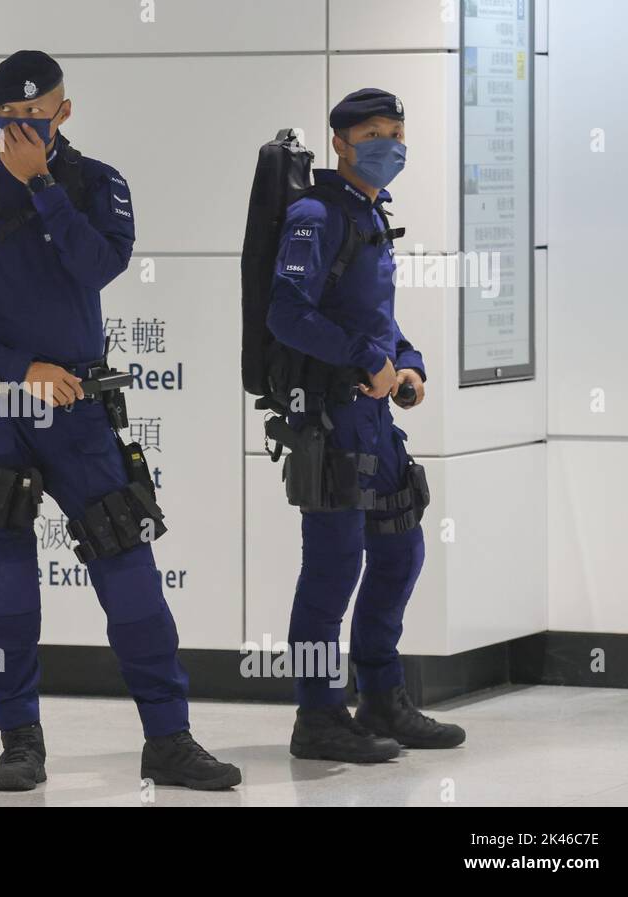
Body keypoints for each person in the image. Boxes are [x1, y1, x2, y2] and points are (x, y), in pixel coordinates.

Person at [0, 49, 240, 792]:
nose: (22, 130)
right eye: (7, 120)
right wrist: (17, 368)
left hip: (81, 416)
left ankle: (169, 736)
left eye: (36, 115)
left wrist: (44, 188)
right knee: (8, 590)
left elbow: (99, 267)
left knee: (131, 577)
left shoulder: (96, 184)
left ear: (63, 110)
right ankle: (18, 740)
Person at [267, 88, 466, 762]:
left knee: (400, 547)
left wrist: (405, 363)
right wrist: (365, 359)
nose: (390, 145)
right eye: (374, 133)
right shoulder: (315, 215)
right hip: (329, 417)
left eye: (398, 133)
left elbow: (374, 318)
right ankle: (318, 714)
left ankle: (381, 695)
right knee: (332, 566)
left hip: (373, 417)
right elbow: (286, 314)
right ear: (341, 143)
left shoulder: (367, 213)